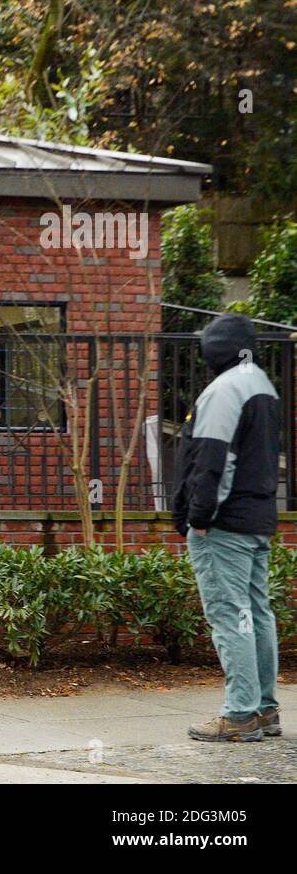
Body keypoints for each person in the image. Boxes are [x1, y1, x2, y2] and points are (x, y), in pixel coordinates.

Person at [172, 313, 281, 742]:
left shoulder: (224, 389)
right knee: (256, 613)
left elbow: (216, 460)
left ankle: (238, 715)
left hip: (223, 527)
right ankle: (265, 710)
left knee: (229, 615)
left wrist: (199, 517)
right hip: (257, 521)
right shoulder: (263, 385)